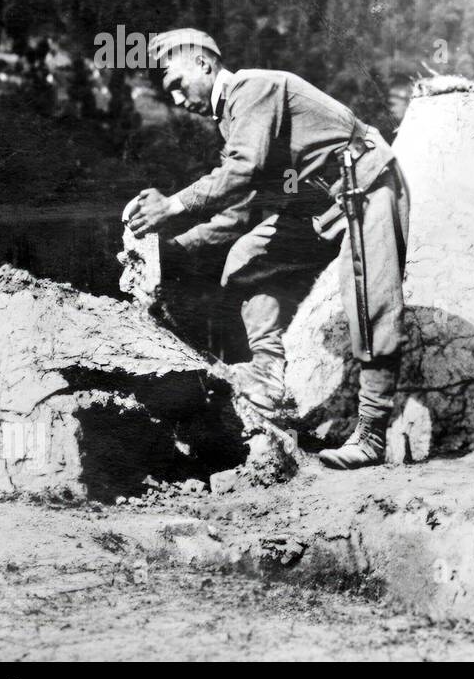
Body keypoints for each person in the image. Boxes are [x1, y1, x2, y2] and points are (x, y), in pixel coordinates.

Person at [124, 28, 409, 469]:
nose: (178, 99)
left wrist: (174, 205)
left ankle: (371, 435)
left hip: (366, 185)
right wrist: (171, 250)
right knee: (248, 257)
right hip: (321, 204)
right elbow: (241, 209)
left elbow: (242, 171)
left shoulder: (253, 90)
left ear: (203, 64)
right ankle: (269, 376)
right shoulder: (232, 120)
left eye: (178, 84)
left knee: (370, 302)